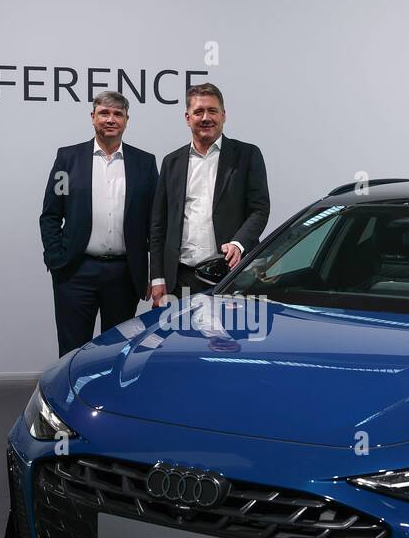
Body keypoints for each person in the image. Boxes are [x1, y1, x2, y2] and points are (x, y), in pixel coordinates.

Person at [39, 91, 159, 355]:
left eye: (118, 114)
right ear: (92, 117)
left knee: (116, 352)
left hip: (124, 275)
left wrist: (155, 272)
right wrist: (56, 259)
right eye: (104, 113)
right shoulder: (67, 159)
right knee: (72, 351)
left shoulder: (145, 163)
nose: (110, 119)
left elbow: (156, 223)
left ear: (127, 120)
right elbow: (50, 214)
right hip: (75, 272)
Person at [149, 83, 270, 304]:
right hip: (180, 279)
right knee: (181, 339)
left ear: (223, 116)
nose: (206, 118)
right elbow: (159, 224)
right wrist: (157, 277)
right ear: (187, 118)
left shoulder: (247, 155)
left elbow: (259, 210)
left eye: (212, 111)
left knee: (230, 339)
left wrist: (238, 243)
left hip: (231, 276)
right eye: (198, 112)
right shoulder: (171, 162)